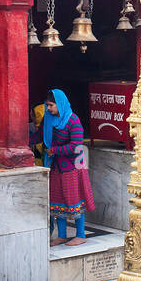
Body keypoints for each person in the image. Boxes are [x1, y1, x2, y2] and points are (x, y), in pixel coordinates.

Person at [44, 89, 94, 246]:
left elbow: (76, 146)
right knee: (58, 200)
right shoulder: (50, 120)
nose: (48, 109)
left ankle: (80, 234)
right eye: (47, 105)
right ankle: (62, 235)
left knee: (75, 200)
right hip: (57, 167)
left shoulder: (73, 121)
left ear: (60, 104)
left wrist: (55, 150)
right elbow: (41, 135)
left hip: (73, 168)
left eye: (51, 105)